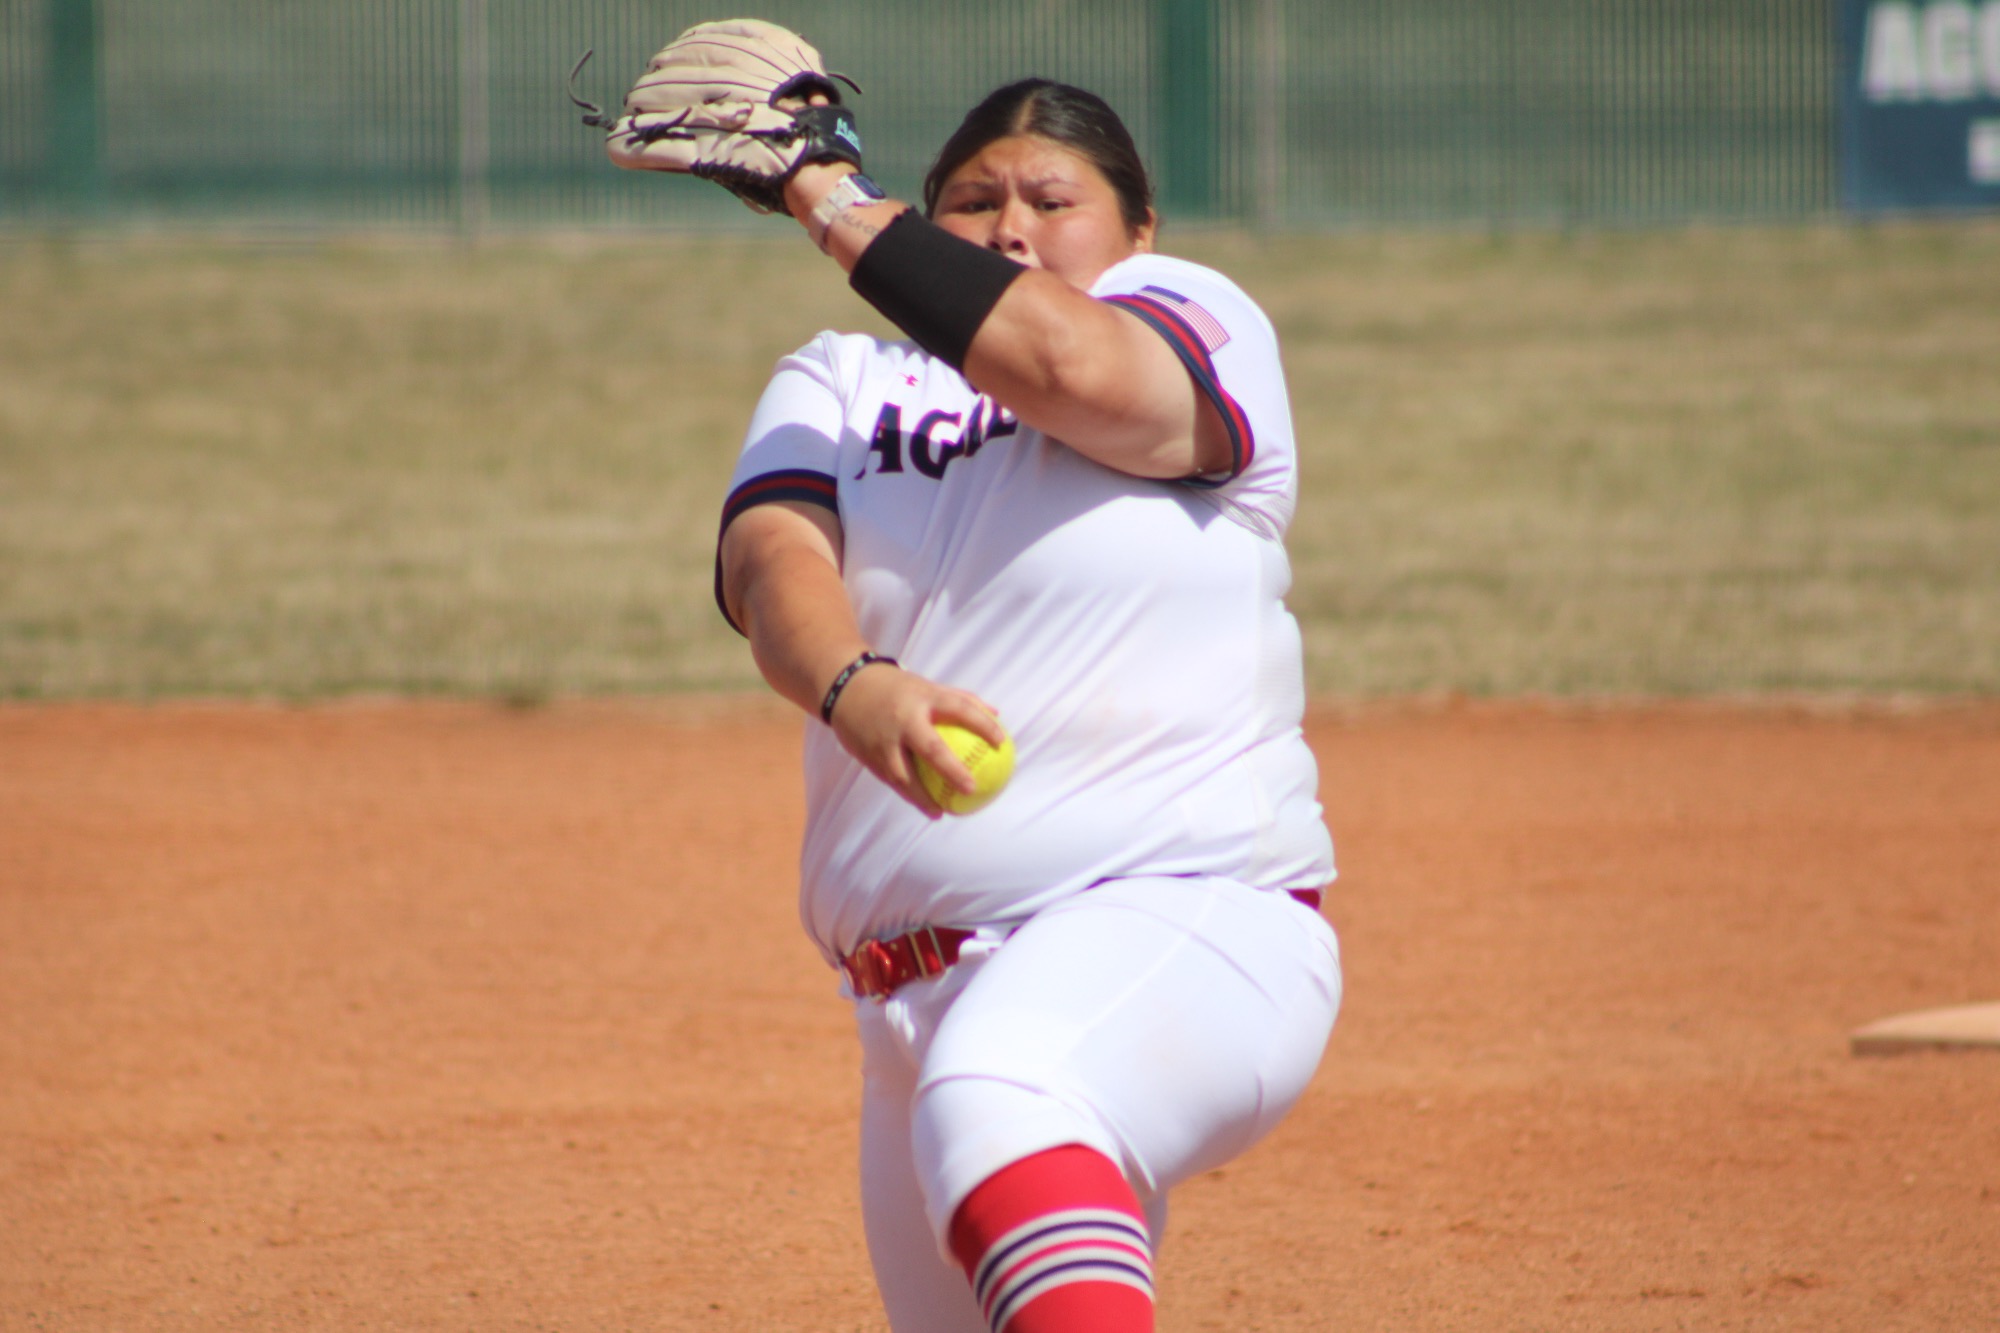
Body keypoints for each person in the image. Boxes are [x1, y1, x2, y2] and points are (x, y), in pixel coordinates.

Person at [707, 65, 1342, 1333]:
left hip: (1179, 922)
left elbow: (1068, 366)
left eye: (1053, 199)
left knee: (1005, 1094)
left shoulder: (1192, 320)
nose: (1011, 227)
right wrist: (853, 686)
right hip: (903, 1007)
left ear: (1138, 229)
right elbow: (769, 561)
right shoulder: (841, 379)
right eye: (971, 201)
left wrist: (825, 195)